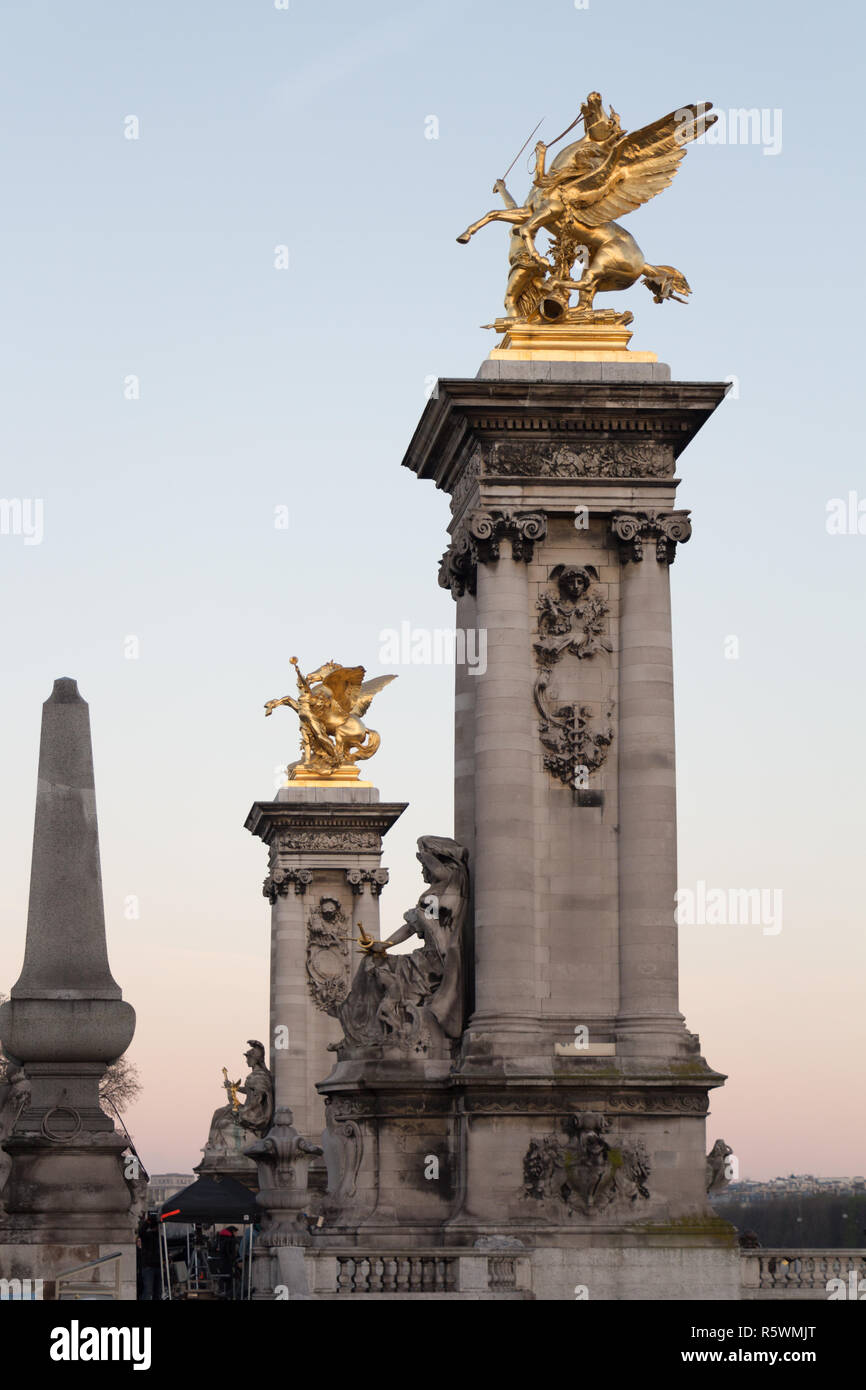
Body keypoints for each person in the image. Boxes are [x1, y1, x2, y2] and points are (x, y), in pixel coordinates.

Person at [137, 1214, 162, 1300]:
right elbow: (141, 1232)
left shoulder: (160, 1237)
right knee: (148, 1292)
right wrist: (147, 1221)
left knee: (157, 1292)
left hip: (157, 1266)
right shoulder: (147, 1236)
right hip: (149, 1267)